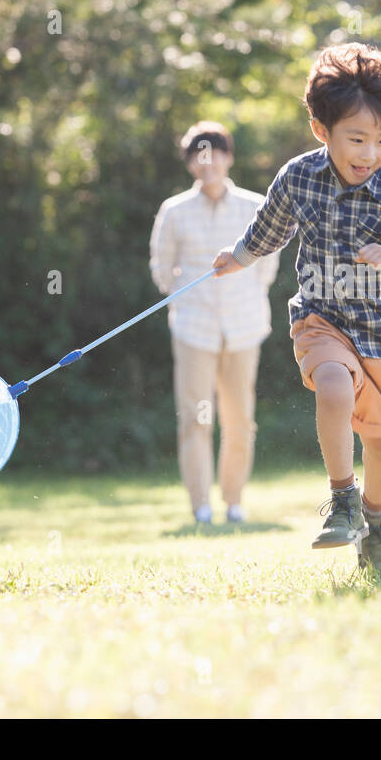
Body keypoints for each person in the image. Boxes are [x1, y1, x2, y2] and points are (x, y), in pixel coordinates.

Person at [211, 43, 381, 575]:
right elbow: (270, 227)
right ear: (322, 130)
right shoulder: (299, 176)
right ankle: (342, 497)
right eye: (356, 139)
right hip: (321, 319)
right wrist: (240, 256)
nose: (369, 153)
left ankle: (374, 521)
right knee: (334, 387)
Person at [149, 121, 280, 524]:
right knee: (197, 417)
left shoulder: (254, 206)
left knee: (240, 419)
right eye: (199, 156)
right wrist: (185, 299)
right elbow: (161, 267)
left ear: (228, 158)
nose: (208, 164)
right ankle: (200, 507)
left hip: (244, 327)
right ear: (191, 164)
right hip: (193, 329)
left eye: (215, 154)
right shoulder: (174, 211)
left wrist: (244, 297)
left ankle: (234, 502)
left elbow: (266, 265)